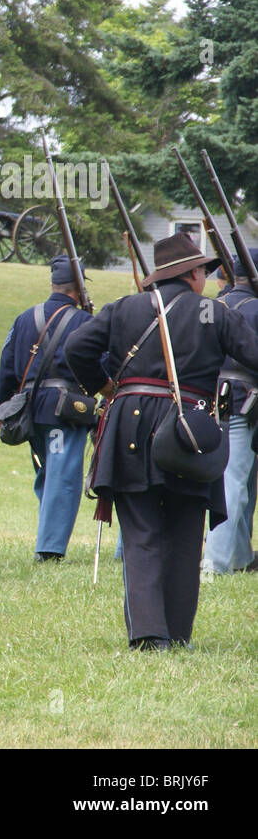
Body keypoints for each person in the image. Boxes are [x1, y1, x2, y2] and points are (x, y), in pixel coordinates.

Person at [66, 234, 258, 650]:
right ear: (191, 274)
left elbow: (76, 347)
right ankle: (178, 633)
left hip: (131, 427)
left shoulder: (125, 307)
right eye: (203, 271)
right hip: (191, 429)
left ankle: (149, 635)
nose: (205, 279)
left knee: (142, 531)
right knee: (187, 533)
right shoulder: (215, 311)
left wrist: (107, 387)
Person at [0, 255, 96, 561]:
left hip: (32, 409)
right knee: (61, 478)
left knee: (47, 474)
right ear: (78, 289)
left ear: (53, 284)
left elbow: (7, 366)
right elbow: (97, 364)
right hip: (66, 411)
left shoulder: (25, 318)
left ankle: (49, 536)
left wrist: (1, 407)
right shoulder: (84, 322)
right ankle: (49, 549)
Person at [204, 248, 258, 574]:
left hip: (208, 399)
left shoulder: (212, 307)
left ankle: (239, 556)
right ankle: (216, 564)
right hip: (241, 402)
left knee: (243, 482)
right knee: (233, 484)